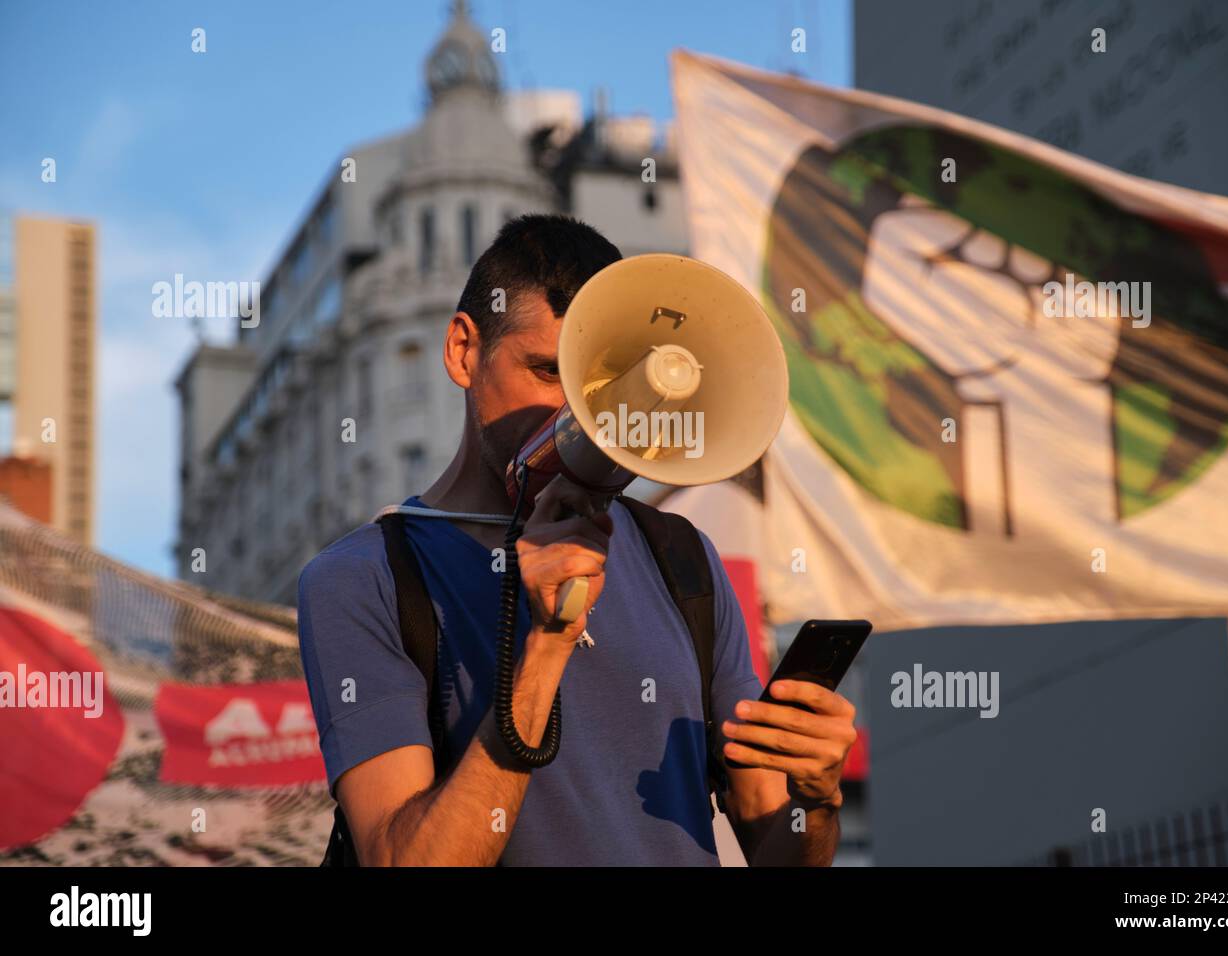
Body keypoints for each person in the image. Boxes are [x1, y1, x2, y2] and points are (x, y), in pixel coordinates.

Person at [297, 214, 857, 865]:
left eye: (604, 381)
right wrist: (545, 647)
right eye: (545, 371)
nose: (579, 412)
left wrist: (816, 799)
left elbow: (780, 853)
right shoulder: (364, 578)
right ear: (463, 352)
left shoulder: (683, 560)